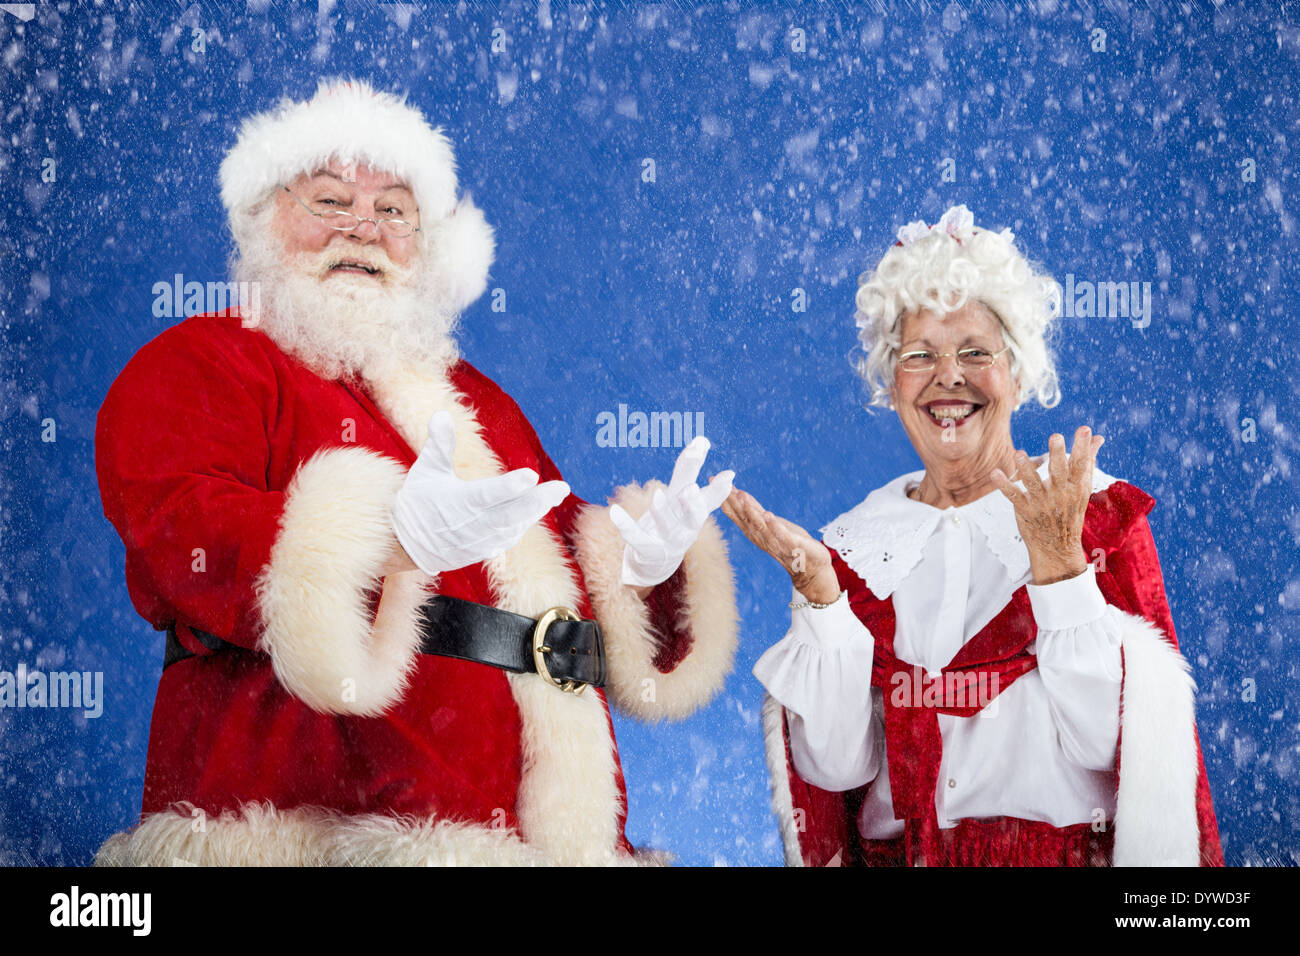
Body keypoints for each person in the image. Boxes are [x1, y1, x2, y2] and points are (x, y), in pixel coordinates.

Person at [93, 78, 739, 866]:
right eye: (330, 201)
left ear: (426, 245)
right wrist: (371, 541)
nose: (363, 227)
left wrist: (644, 572)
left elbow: (566, 569)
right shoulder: (207, 361)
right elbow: (180, 536)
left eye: (393, 210)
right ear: (266, 222)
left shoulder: (481, 407)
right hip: (314, 833)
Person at [723, 205, 1224, 866]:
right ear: (893, 386)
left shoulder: (1091, 512)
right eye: (919, 355)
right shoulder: (852, 550)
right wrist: (819, 596)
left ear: (1018, 376)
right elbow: (837, 773)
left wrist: (1061, 568)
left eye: (975, 353)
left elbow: (1127, 752)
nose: (947, 377)